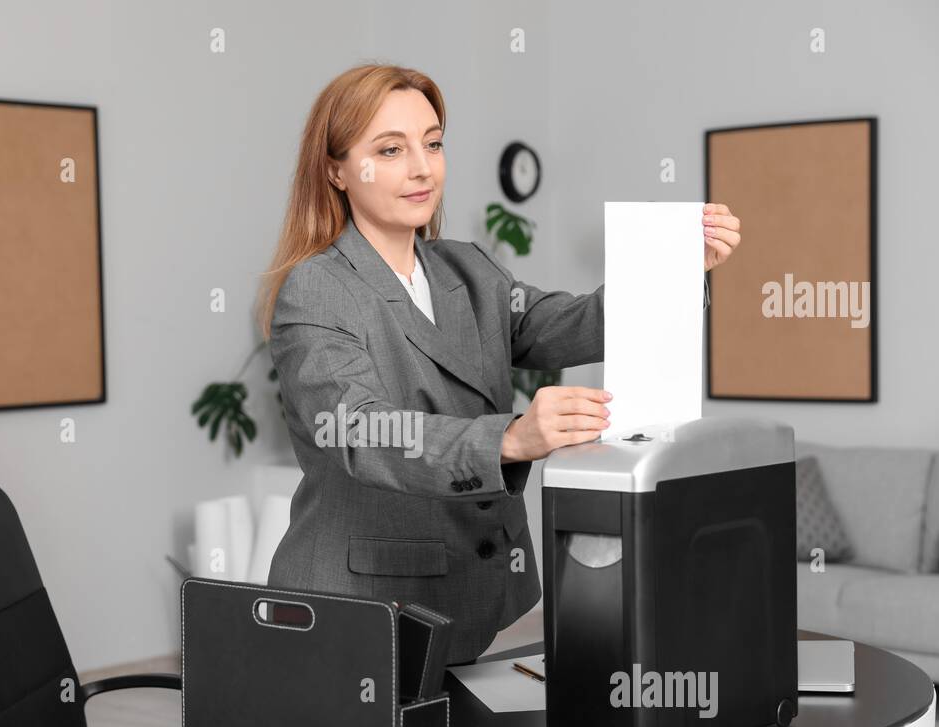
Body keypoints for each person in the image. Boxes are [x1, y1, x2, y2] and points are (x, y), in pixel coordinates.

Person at [257, 63, 740, 664]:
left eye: (432, 144)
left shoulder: (466, 269)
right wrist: (509, 439)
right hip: (360, 608)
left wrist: (674, 269)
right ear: (335, 170)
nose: (421, 167)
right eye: (391, 148)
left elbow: (569, 324)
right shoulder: (318, 288)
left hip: (460, 596)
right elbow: (359, 431)